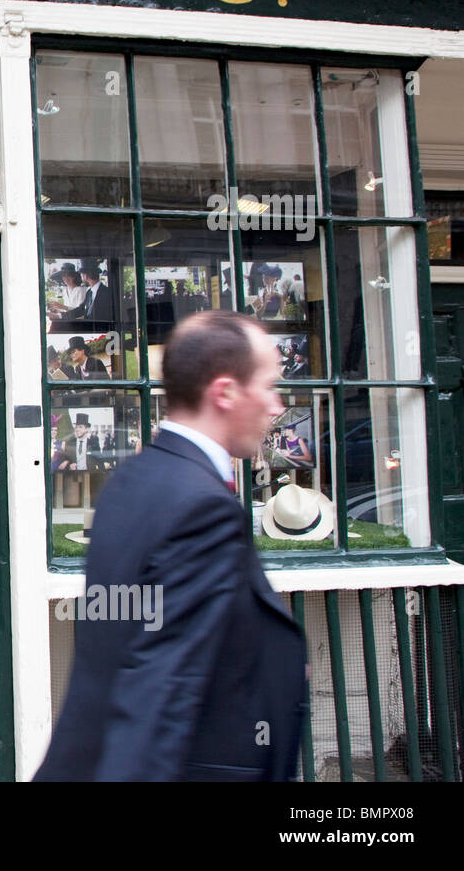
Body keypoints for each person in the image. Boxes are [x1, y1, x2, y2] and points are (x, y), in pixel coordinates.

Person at [35, 310, 307, 781]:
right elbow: (162, 684)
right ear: (225, 392)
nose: (276, 405)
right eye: (268, 385)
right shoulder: (202, 506)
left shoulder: (132, 479)